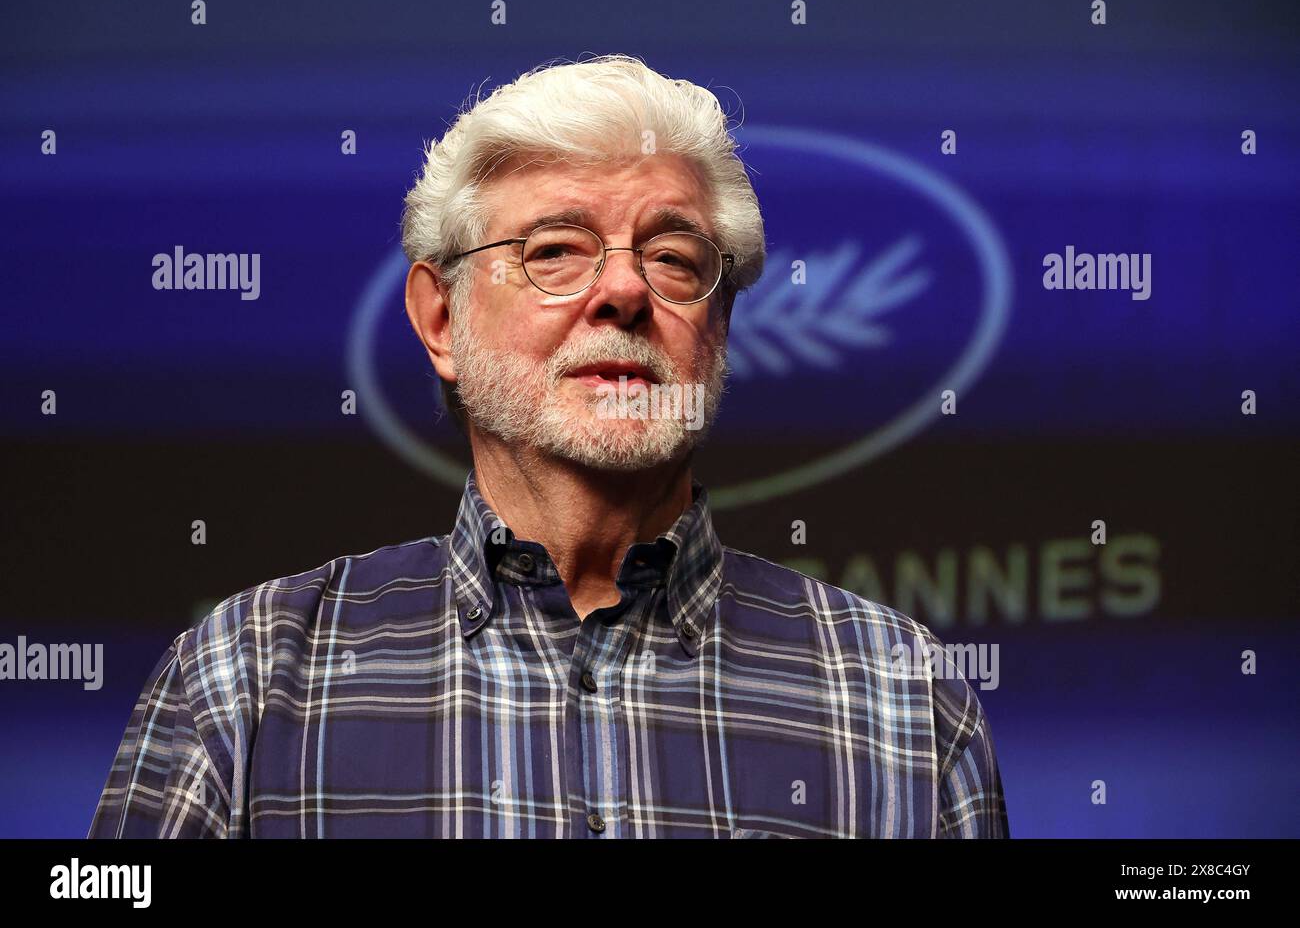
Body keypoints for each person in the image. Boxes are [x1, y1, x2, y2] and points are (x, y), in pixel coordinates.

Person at [89, 54, 1008, 838]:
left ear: (718, 326)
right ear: (441, 318)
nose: (623, 292)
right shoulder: (245, 679)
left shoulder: (903, 701)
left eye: (675, 258)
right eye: (557, 250)